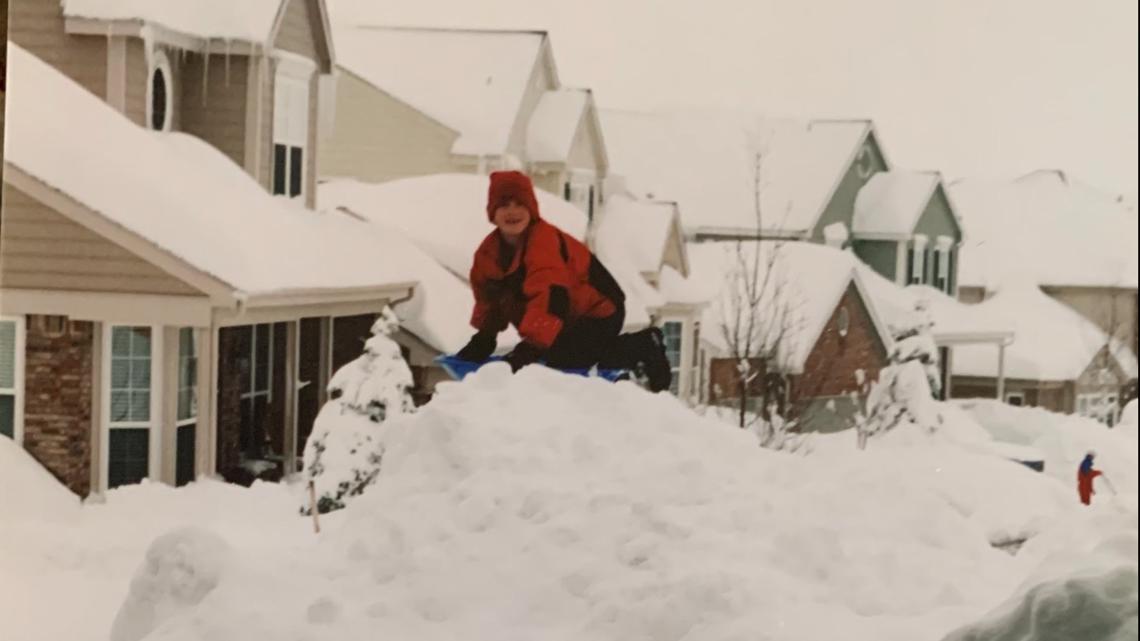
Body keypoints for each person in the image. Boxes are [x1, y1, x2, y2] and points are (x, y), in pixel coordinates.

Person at [455, 170, 672, 392]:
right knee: (550, 356)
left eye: (519, 204)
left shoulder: (543, 243)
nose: (512, 211)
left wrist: (531, 346)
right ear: (492, 212)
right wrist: (485, 335)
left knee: (566, 361)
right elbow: (490, 297)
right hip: (565, 313)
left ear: (531, 209)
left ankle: (643, 345)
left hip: (598, 308)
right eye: (504, 205)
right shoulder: (488, 253)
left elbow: (550, 296)